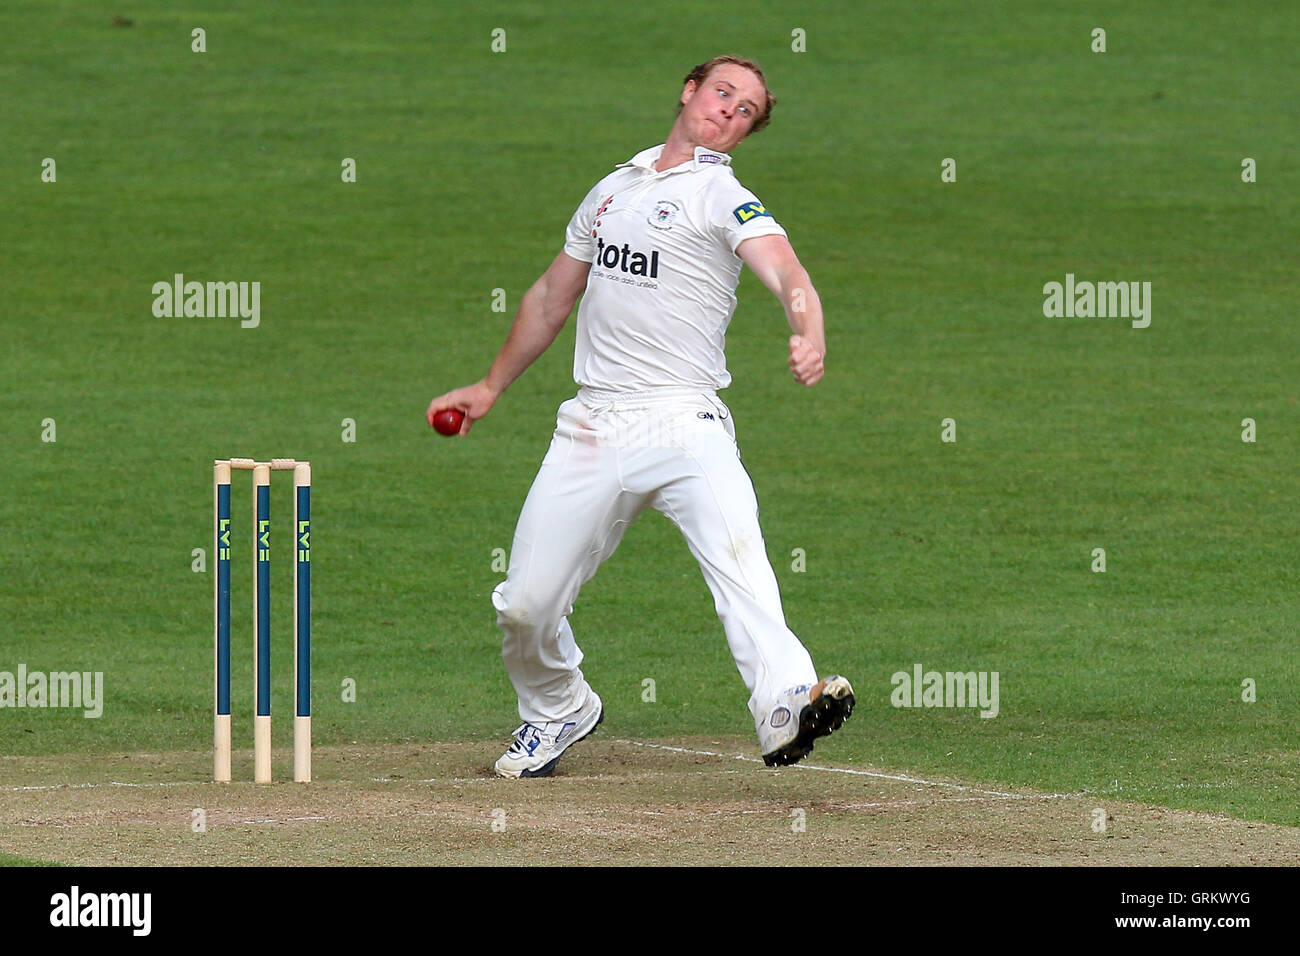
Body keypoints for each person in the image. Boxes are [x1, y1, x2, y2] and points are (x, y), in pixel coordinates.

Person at [427, 55, 854, 778]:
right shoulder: (610, 191)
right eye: (723, 93)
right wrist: (492, 385)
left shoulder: (723, 195)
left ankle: (786, 703)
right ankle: (559, 707)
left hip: (686, 421)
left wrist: (808, 328)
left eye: (746, 110)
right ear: (690, 92)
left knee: (741, 561)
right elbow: (549, 297)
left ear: (745, 132)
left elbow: (786, 270)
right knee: (526, 607)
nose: (729, 111)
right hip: (592, 425)